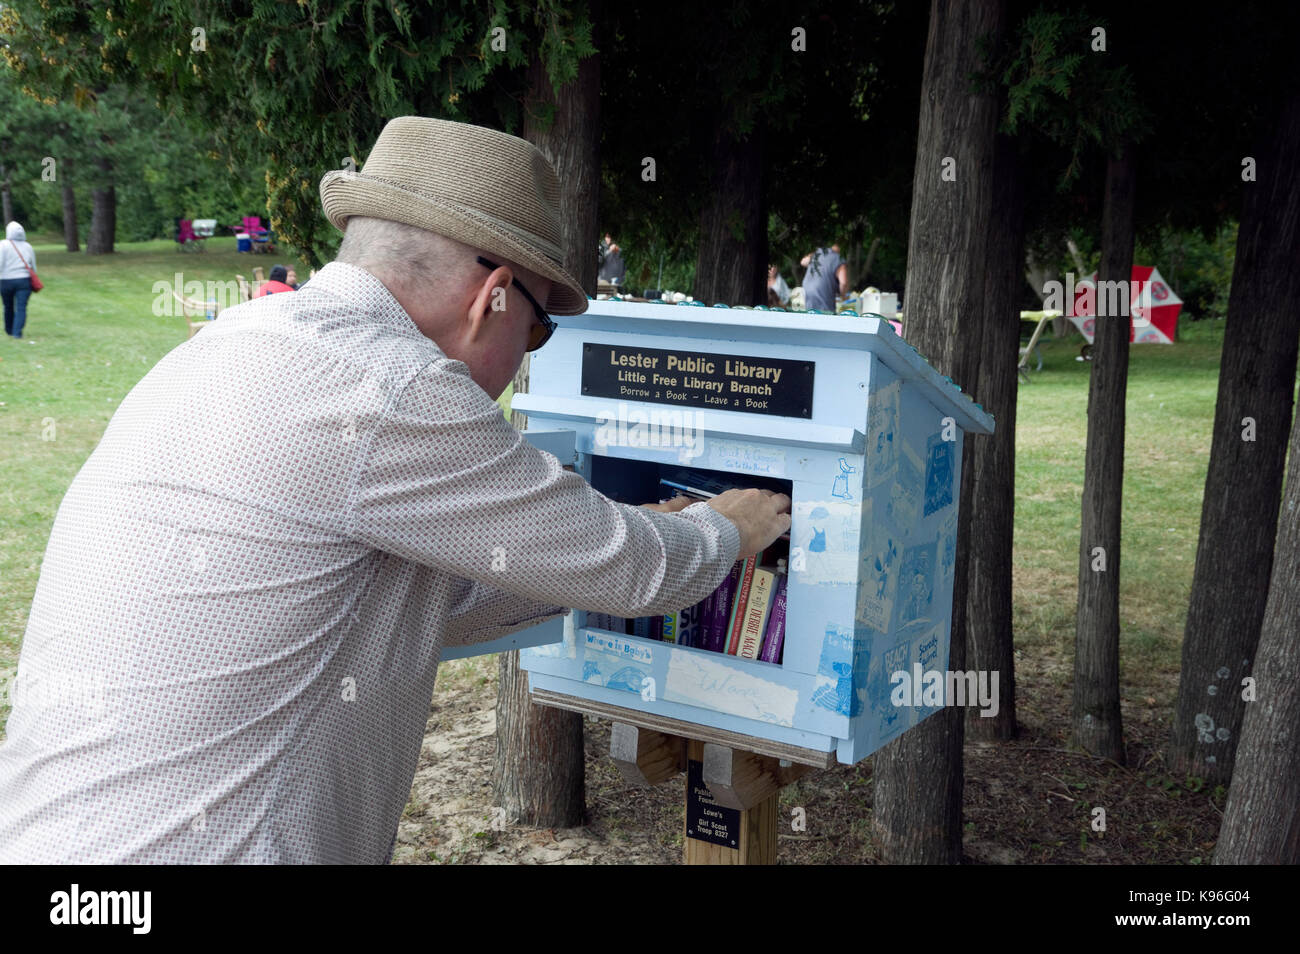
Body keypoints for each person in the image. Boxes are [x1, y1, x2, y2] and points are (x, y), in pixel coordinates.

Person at [0, 116, 790, 864]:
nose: (527, 357)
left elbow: (402, 607)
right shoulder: (394, 386)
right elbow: (635, 571)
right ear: (497, 296)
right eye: (540, 328)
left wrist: (587, 549)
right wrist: (730, 528)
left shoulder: (232, 344)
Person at [1, 221, 37, 338]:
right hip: (24, 280)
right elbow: (33, 266)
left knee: (8, 306)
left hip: (5, 280)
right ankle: (17, 333)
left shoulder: (2, 245)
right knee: (21, 307)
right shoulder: (28, 246)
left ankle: (9, 329)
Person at [800, 244, 849, 313]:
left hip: (807, 290)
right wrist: (844, 297)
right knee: (826, 317)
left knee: (811, 314)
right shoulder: (838, 258)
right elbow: (844, 283)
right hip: (823, 294)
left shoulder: (817, 253)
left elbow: (803, 262)